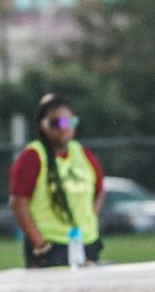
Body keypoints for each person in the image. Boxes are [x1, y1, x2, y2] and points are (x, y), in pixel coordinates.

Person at [8, 93, 103, 269]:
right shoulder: (33, 156)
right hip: (50, 247)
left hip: (85, 243)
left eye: (70, 122)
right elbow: (18, 204)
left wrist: (89, 219)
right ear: (43, 126)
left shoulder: (82, 154)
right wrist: (39, 243)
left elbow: (99, 190)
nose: (64, 128)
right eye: (57, 123)